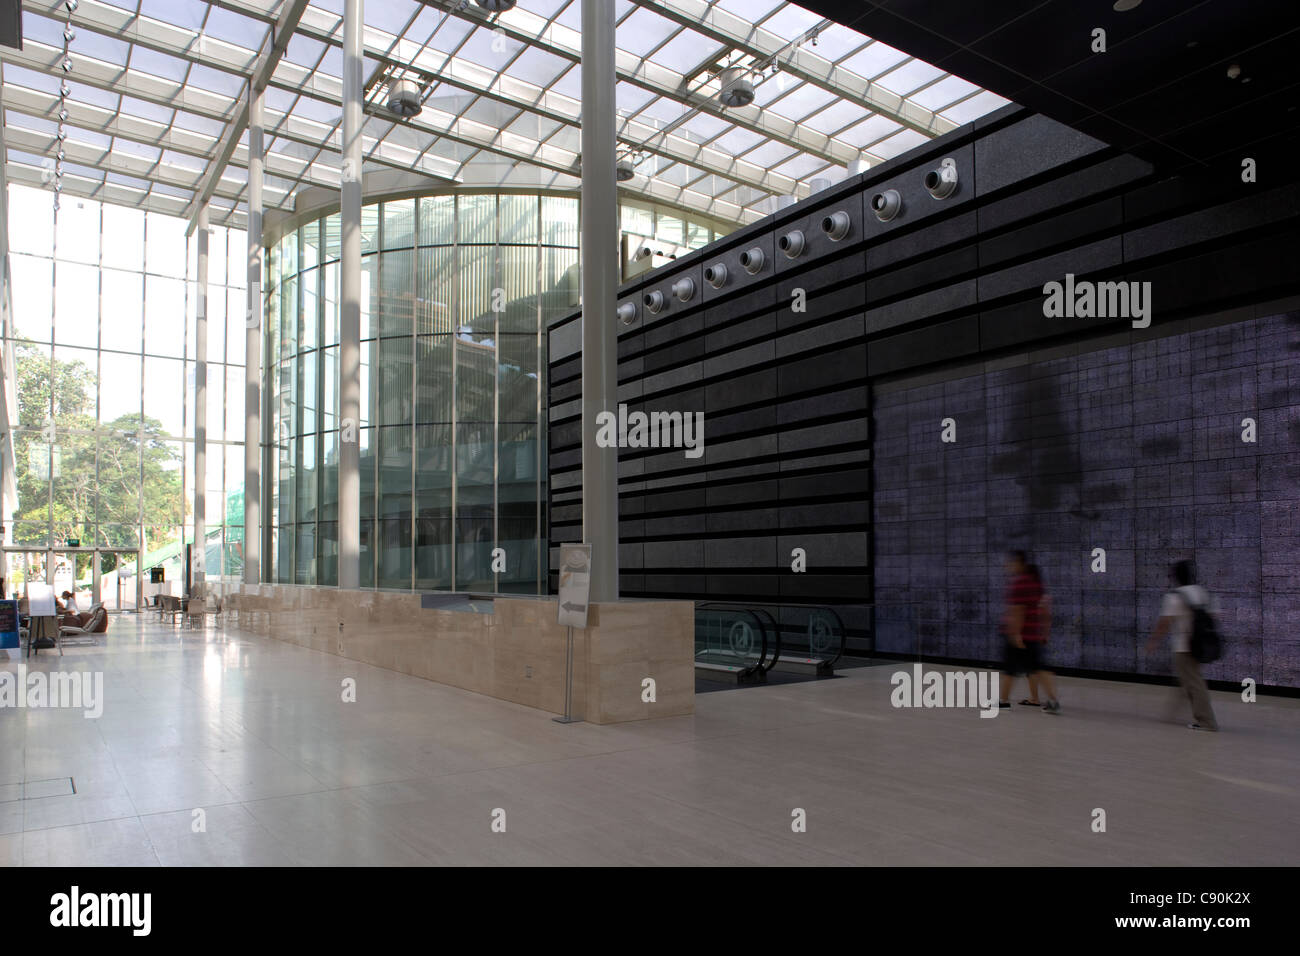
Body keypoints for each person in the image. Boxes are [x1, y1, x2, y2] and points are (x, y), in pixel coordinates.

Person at [1145, 560, 1218, 731]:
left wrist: (1153, 641)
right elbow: (1213, 618)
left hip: (1183, 647)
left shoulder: (1174, 596)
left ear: (1176, 577)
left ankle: (1207, 722)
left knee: (1194, 682)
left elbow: (1165, 623)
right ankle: (1173, 712)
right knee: (1188, 679)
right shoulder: (1204, 593)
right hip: (1200, 646)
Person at [998, 550, 1059, 713]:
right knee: (1038, 668)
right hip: (1033, 634)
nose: (1009, 566)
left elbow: (1019, 610)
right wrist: (1044, 633)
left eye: (1012, 563)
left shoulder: (1020, 582)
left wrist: (1015, 633)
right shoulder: (1036, 586)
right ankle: (1052, 701)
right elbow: (1046, 614)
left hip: (1021, 635)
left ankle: (1003, 701)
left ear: (1019, 564)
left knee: (1010, 669)